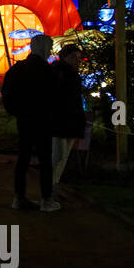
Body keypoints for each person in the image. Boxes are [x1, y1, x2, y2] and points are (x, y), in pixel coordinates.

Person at [1, 34, 58, 211]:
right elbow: (54, 96)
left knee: (23, 158)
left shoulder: (18, 69)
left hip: (24, 119)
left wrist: (16, 111)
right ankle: (46, 199)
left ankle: (19, 197)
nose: (50, 52)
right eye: (48, 48)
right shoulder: (47, 71)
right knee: (45, 159)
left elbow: (7, 93)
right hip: (42, 120)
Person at [50, 44, 87, 197]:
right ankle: (50, 186)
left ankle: (54, 185)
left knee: (63, 156)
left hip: (71, 120)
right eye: (73, 57)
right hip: (60, 121)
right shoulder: (58, 73)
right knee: (58, 155)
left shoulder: (72, 75)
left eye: (78, 58)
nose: (77, 61)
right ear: (64, 57)